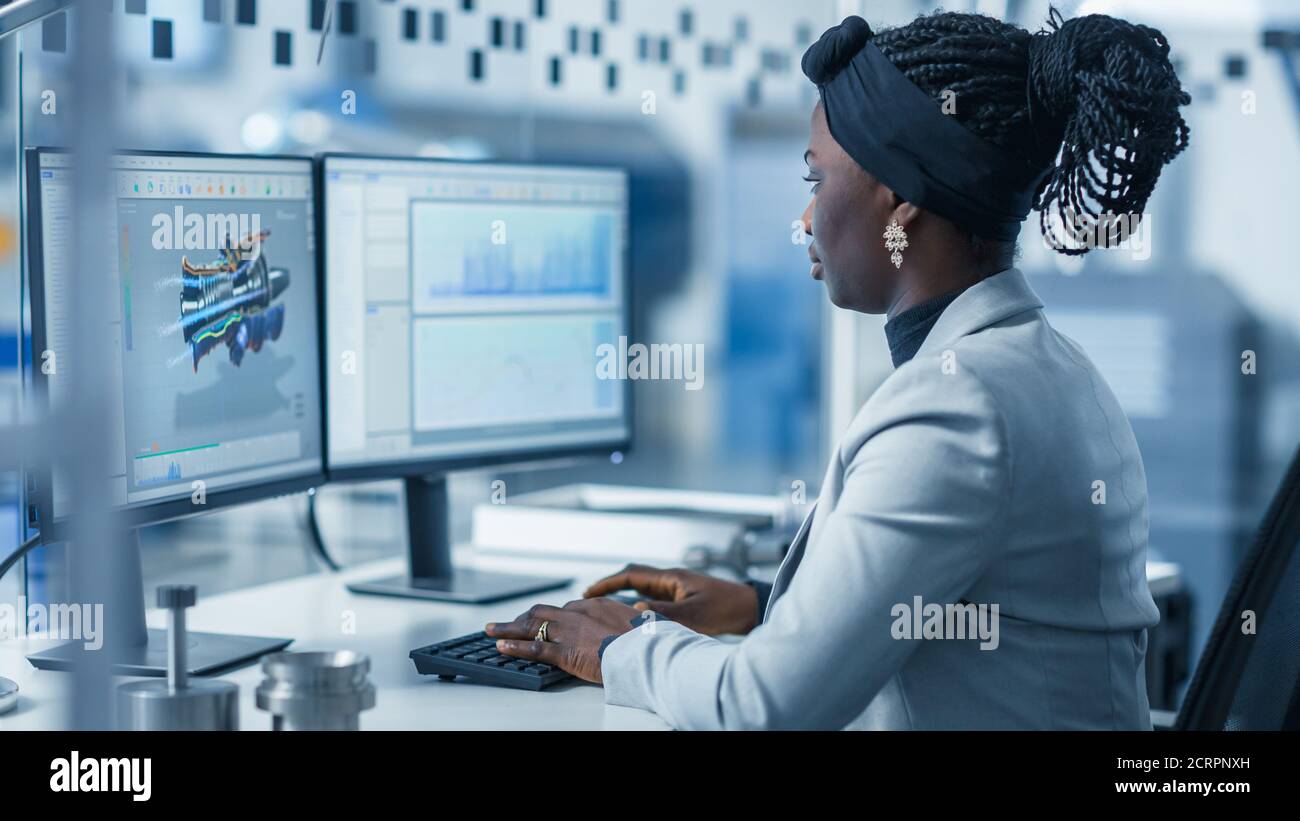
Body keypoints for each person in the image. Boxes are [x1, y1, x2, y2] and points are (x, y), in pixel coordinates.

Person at [485, 9, 1191, 729]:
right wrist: (764, 603)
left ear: (900, 203)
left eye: (817, 180)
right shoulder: (1049, 370)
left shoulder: (960, 409)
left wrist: (621, 645)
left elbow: (761, 707)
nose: (805, 217)